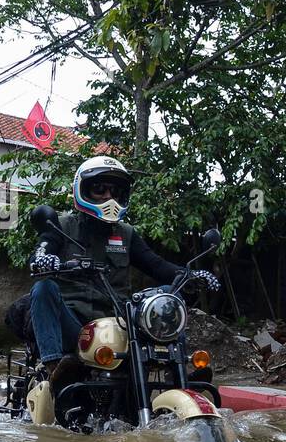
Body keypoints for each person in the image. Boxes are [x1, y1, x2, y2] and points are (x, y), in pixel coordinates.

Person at [27, 155, 219, 393]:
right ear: (82, 190)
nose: (109, 198)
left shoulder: (126, 234)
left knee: (169, 295)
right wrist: (43, 259)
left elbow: (156, 265)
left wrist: (191, 275)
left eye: (115, 191)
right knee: (43, 288)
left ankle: (178, 369)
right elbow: (41, 251)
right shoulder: (61, 226)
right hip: (74, 325)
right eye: (100, 190)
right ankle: (54, 367)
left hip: (119, 322)